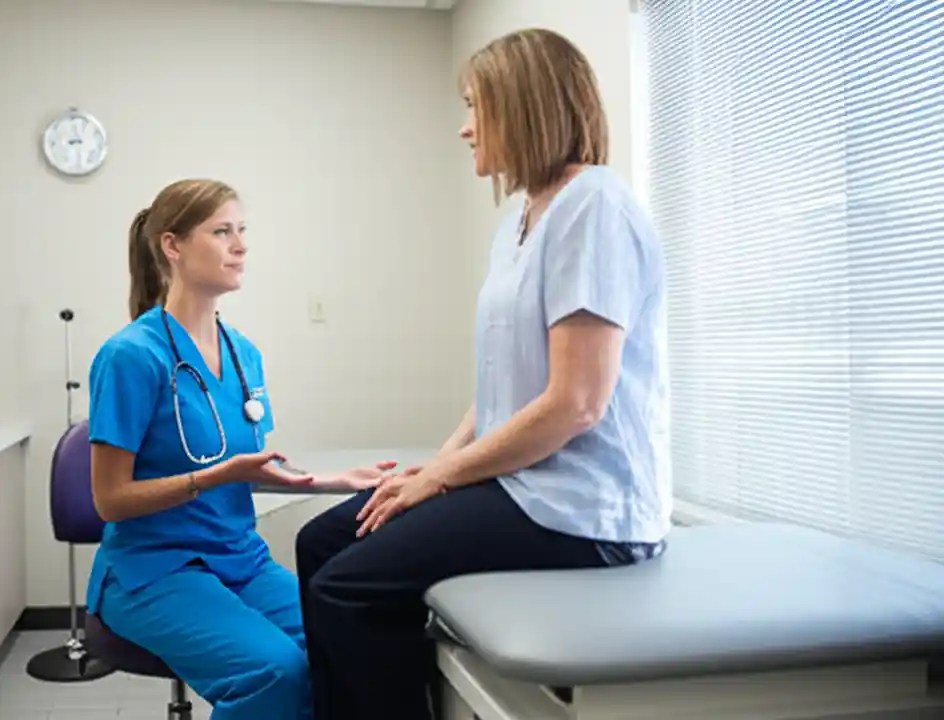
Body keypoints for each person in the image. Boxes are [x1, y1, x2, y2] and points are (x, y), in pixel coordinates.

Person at [295, 27, 673, 720]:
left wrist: (442, 479)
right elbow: (501, 387)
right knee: (319, 541)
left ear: (526, 106)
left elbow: (576, 403)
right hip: (526, 485)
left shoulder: (593, 205)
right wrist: (429, 470)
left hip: (584, 508)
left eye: (477, 106)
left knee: (347, 586)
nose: (466, 129)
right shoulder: (521, 221)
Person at [85, 178, 394, 720]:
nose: (241, 245)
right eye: (222, 231)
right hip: (152, 569)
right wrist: (212, 478)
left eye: (242, 230)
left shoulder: (243, 353)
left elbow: (243, 468)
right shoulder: (131, 356)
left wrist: (330, 479)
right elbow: (110, 500)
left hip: (239, 559)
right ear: (172, 246)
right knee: (275, 671)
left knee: (347, 643)